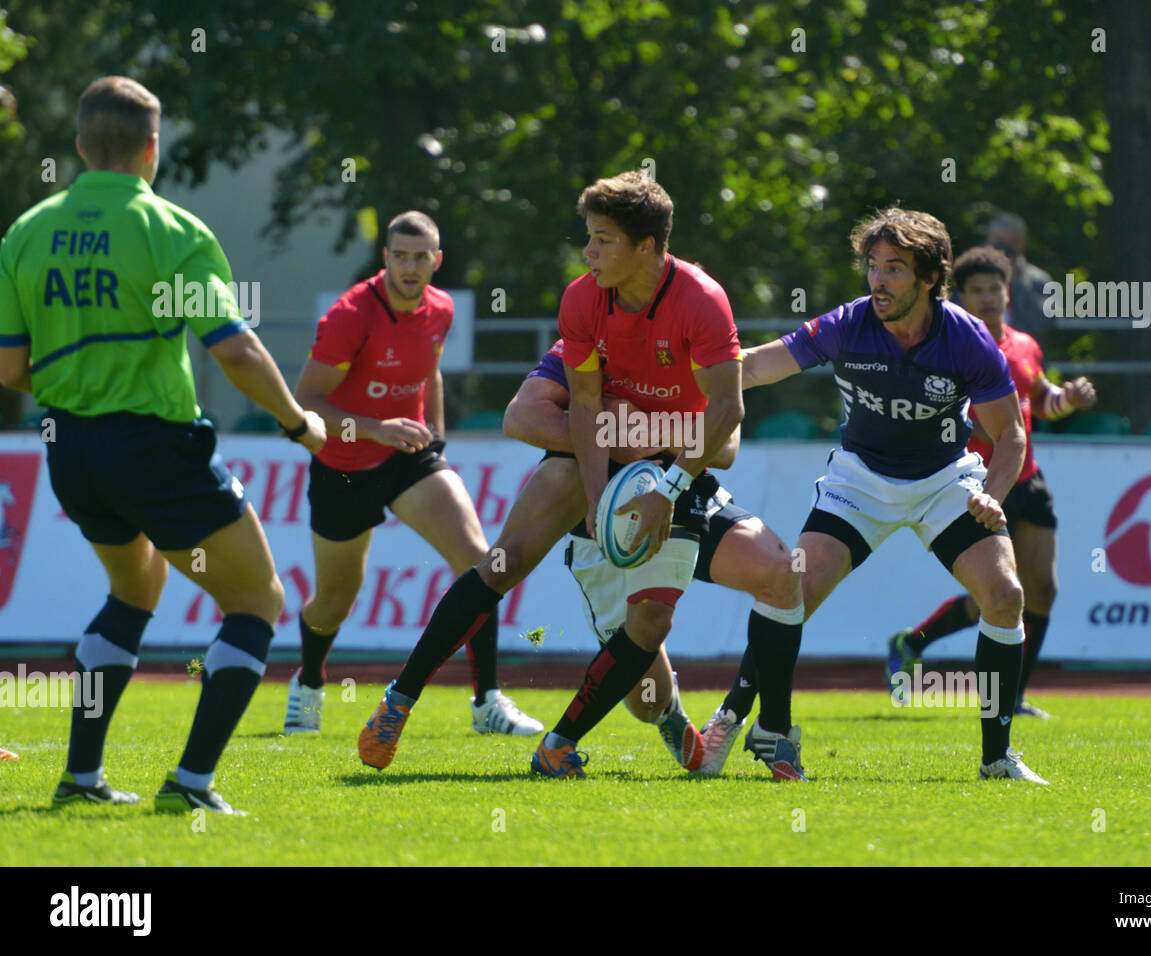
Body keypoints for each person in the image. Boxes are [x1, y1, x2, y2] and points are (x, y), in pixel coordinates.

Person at [358, 170, 806, 780]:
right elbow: (581, 410)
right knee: (503, 560)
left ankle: (708, 728)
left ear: (647, 246)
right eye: (587, 238)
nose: (588, 253)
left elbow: (724, 427)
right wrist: (598, 502)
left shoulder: (701, 301)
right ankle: (396, 702)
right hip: (596, 467)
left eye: (601, 240)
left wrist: (663, 471)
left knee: (661, 658)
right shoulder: (584, 299)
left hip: (677, 476)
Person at [0, 76, 327, 814]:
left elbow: (9, 368)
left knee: (134, 587)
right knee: (256, 599)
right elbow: (235, 351)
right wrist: (297, 421)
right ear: (153, 148)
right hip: (153, 444)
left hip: (71, 450)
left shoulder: (26, 232)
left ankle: (82, 779)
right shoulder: (172, 231)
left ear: (81, 145)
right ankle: (190, 782)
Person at [737, 206, 1049, 784]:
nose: (878, 280)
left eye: (896, 269)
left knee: (1005, 596)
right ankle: (741, 713)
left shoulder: (967, 337)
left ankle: (997, 758)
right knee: (793, 593)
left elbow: (1011, 433)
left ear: (931, 278)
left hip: (942, 480)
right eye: (873, 266)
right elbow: (756, 367)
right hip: (862, 479)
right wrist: (699, 370)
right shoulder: (847, 323)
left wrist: (995, 495)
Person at [283, 211, 540, 738]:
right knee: (335, 602)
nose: (409, 265)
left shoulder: (441, 308)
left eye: (420, 256)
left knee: (481, 561)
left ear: (436, 261)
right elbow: (305, 401)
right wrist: (375, 429)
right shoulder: (349, 315)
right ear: (385, 258)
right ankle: (308, 683)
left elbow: (430, 371)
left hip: (408, 455)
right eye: (400, 254)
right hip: (344, 465)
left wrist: (437, 438)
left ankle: (487, 702)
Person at [507, 341, 792, 776]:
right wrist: (608, 438)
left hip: (686, 493)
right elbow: (520, 417)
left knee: (779, 572)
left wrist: (639, 429)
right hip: (606, 519)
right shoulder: (585, 333)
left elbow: (725, 445)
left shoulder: (700, 334)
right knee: (646, 699)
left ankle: (770, 730)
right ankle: (669, 713)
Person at [884, 246, 1096, 719]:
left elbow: (1039, 401)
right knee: (996, 597)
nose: (986, 298)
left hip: (1027, 476)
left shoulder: (1024, 345)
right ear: (960, 296)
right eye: (975, 290)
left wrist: (1070, 398)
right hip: (976, 482)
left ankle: (1013, 697)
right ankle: (911, 642)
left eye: (993, 289)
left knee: (1041, 589)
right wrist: (977, 427)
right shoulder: (954, 344)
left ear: (1007, 294)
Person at [985, 212, 1054, 341]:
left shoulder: (1039, 281)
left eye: (1012, 243)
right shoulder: (972, 279)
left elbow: (1043, 324)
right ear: (988, 242)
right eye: (1000, 243)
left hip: (1025, 357)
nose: (1005, 250)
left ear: (1023, 243)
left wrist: (1018, 283)